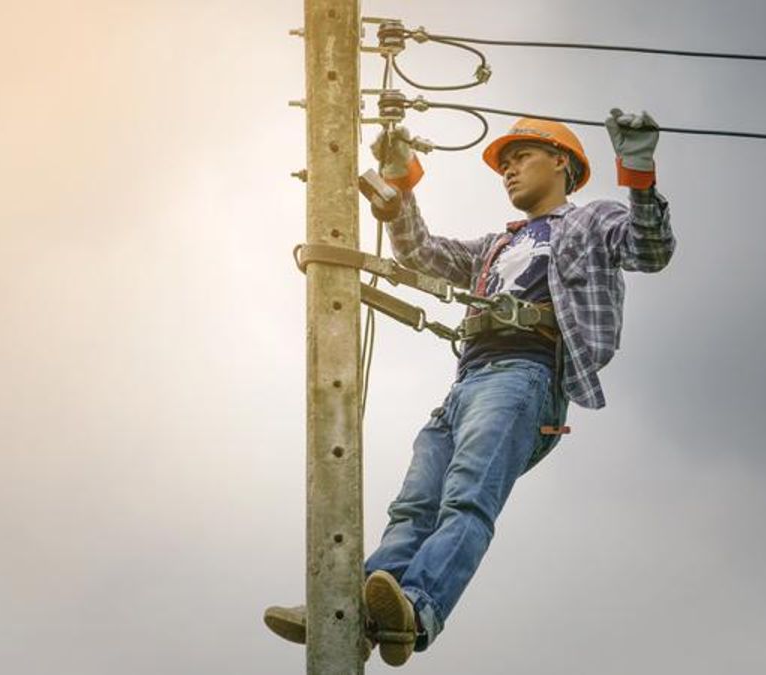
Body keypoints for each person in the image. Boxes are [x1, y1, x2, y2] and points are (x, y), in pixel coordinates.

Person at [265, 109, 676, 667]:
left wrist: (638, 170)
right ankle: (349, 615)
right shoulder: (496, 245)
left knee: (466, 500)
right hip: (468, 382)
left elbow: (649, 250)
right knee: (413, 507)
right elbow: (421, 253)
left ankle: (418, 606)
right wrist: (399, 188)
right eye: (503, 163)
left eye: (520, 157)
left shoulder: (589, 222)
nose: (508, 170)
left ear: (562, 163)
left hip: (525, 377)